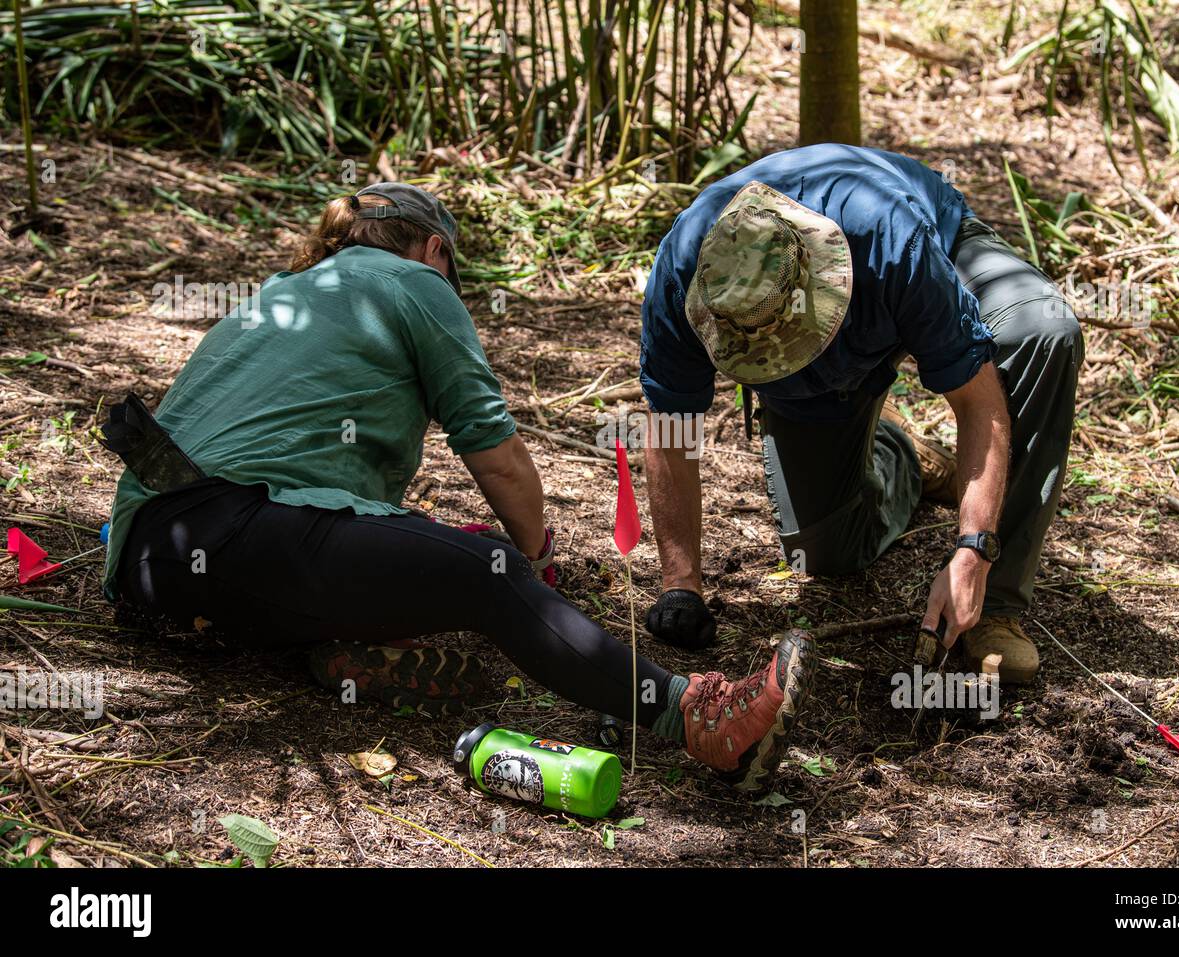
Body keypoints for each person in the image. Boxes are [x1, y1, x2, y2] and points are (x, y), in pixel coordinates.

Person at [102, 182, 816, 793]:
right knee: (488, 571)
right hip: (245, 529)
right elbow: (496, 456)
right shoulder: (413, 282)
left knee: (394, 558)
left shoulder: (281, 292)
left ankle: (329, 645)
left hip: (148, 562)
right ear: (434, 250)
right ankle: (694, 716)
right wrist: (535, 561)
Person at [638, 144, 1082, 684]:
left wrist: (974, 549)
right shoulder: (682, 273)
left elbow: (978, 400)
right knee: (825, 551)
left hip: (920, 263)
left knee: (1042, 329)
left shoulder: (894, 240)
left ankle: (994, 607)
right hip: (819, 385)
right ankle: (907, 459)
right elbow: (671, 427)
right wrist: (680, 584)